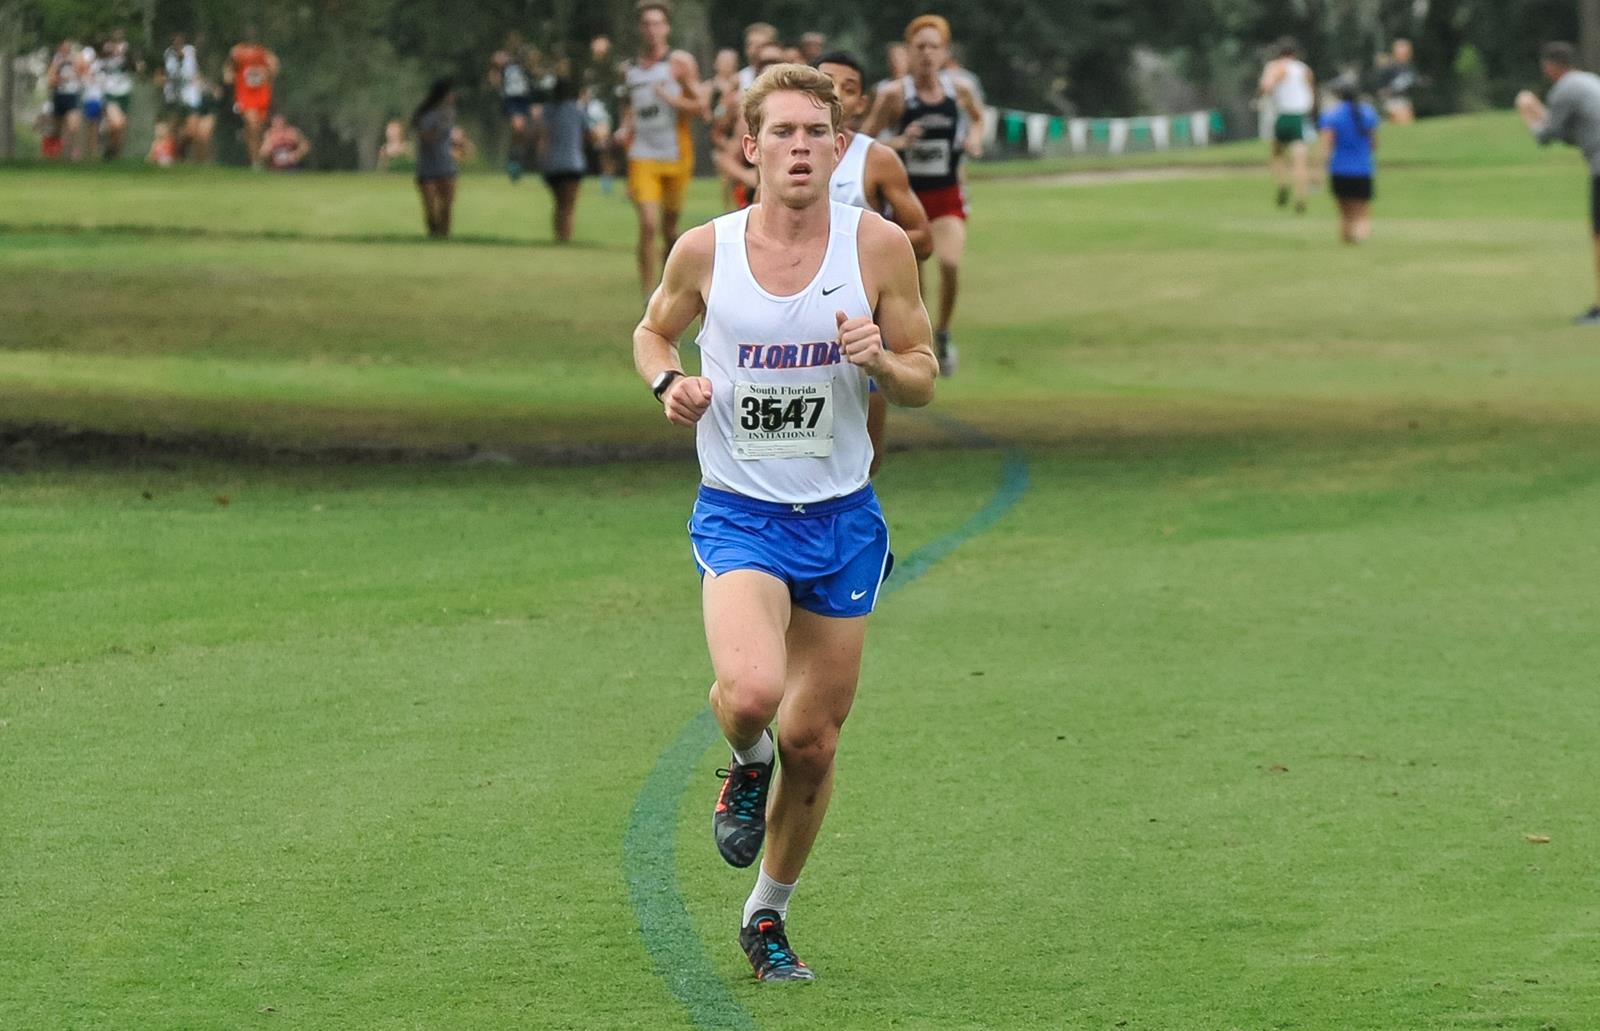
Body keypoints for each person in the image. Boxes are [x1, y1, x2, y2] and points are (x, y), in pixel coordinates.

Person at [632, 62, 937, 983]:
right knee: (755, 694)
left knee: (817, 740)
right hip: (741, 513)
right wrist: (668, 382)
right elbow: (651, 332)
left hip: (841, 517)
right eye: (783, 133)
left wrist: (882, 357)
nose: (799, 148)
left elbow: (924, 377)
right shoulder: (705, 249)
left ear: (839, 148)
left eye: (816, 133)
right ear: (749, 146)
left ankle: (766, 917)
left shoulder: (879, 246)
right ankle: (743, 758)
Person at [817, 50, 935, 476]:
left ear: (861, 104)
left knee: (865, 461)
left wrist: (873, 251)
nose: (834, 93)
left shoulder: (876, 159)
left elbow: (923, 236)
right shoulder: (782, 153)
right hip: (794, 312)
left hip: (862, 316)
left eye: (847, 88)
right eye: (825, 81)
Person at [862, 15, 985, 377]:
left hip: (946, 197)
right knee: (913, 285)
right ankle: (918, 349)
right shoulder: (893, 95)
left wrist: (974, 139)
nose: (927, 54)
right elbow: (864, 143)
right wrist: (899, 142)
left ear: (945, 52)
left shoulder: (959, 90)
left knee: (949, 262)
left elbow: (978, 119)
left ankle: (944, 333)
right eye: (920, 47)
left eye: (934, 47)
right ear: (908, 52)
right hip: (907, 202)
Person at [617, 0, 704, 299]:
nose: (652, 30)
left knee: (669, 230)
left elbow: (701, 106)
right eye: (647, 24)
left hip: (676, 154)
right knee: (648, 224)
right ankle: (646, 296)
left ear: (667, 28)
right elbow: (629, 108)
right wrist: (623, 129)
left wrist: (672, 99)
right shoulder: (629, 69)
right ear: (640, 29)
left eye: (657, 23)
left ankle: (669, 290)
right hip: (642, 155)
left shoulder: (679, 65)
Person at [1517, 42, 1600, 325]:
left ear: (1549, 66)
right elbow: (1570, 134)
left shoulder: (1564, 90)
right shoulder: (1588, 80)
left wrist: (1528, 112)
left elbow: (1546, 136)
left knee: (1599, 237)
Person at [1258, 38, 1316, 213]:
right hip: (1300, 116)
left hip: (1283, 115)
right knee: (1300, 161)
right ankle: (1301, 196)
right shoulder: (1304, 69)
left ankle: (1282, 183)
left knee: (1277, 153)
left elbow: (1266, 86)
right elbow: (1311, 91)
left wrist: (1266, 95)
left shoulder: (1275, 67)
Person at [1319, 78, 1378, 244]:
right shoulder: (1368, 113)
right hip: (1363, 168)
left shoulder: (1332, 115)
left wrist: (1318, 168)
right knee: (1362, 209)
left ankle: (1349, 236)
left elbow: (1327, 144)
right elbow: (1374, 144)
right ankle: (1359, 233)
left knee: (1345, 211)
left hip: (1340, 169)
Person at [538, 67, 588, 243]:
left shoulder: (548, 111)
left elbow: (543, 138)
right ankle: (565, 238)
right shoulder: (578, 110)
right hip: (572, 163)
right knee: (569, 206)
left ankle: (558, 236)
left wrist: (542, 160)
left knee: (559, 204)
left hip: (553, 164)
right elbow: (588, 134)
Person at [226, 27, 279, 170]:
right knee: (252, 123)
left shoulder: (264, 52)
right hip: (245, 94)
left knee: (258, 128)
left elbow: (274, 67)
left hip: (261, 94)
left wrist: (266, 74)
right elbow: (229, 71)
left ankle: (259, 158)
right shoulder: (237, 52)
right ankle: (255, 161)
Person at [413, 79, 459, 240]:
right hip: (428, 167)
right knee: (430, 207)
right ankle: (433, 234)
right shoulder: (428, 115)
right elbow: (427, 137)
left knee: (447, 206)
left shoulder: (450, 113)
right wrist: (440, 126)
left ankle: (444, 236)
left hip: (447, 165)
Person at [489, 39, 536, 181]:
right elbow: (494, 78)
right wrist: (496, 68)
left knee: (526, 133)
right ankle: (513, 161)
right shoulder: (504, 63)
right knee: (518, 128)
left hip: (525, 99)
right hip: (511, 99)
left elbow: (535, 68)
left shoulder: (524, 64)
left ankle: (518, 159)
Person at [99, 30, 138, 159]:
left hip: (124, 93)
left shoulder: (127, 51)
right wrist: (111, 52)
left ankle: (114, 154)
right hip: (110, 93)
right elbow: (100, 63)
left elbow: (134, 68)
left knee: (120, 128)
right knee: (117, 123)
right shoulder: (106, 51)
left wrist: (125, 54)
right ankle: (110, 150)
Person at [46, 41, 83, 161]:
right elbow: (51, 80)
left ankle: (74, 152)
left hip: (72, 96)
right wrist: (60, 75)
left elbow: (82, 72)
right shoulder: (56, 60)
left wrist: (73, 63)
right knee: (57, 128)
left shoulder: (75, 59)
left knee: (74, 126)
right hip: (59, 96)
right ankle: (55, 153)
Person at [1375, 39, 1418, 124]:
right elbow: (1380, 87)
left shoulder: (1407, 66)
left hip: (1404, 99)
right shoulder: (1389, 66)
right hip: (1393, 101)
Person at [738, 22, 779, 90]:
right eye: (750, 44)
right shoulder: (740, 79)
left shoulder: (786, 77)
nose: (755, 50)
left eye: (761, 45)